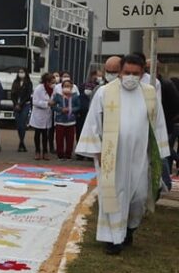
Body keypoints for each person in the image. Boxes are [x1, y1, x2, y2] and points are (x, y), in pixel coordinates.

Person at [77, 54, 170, 255]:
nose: (130, 77)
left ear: (142, 74)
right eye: (126, 73)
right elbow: (93, 121)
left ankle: (129, 229)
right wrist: (97, 150)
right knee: (114, 196)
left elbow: (158, 123)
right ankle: (112, 239)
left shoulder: (150, 93)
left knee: (139, 196)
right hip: (113, 156)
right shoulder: (105, 92)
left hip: (140, 156)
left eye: (135, 74)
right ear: (120, 72)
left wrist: (158, 154)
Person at [52, 79, 80, 160]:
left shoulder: (75, 96)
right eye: (65, 86)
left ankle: (68, 155)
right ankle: (60, 155)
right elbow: (53, 106)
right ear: (62, 87)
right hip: (60, 121)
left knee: (70, 140)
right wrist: (60, 109)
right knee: (59, 139)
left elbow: (78, 106)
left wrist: (71, 110)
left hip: (71, 122)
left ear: (71, 87)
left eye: (68, 86)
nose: (66, 88)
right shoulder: (58, 96)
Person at [30, 73, 55, 160]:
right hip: (39, 114)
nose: (53, 84)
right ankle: (37, 151)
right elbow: (35, 102)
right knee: (37, 133)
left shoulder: (53, 89)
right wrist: (47, 103)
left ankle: (45, 152)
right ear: (46, 82)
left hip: (47, 114)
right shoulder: (39, 89)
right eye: (51, 82)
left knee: (45, 134)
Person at [11, 68, 33, 152]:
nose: (21, 73)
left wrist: (20, 104)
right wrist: (16, 104)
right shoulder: (15, 82)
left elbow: (28, 95)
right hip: (16, 105)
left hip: (25, 105)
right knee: (18, 124)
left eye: (22, 72)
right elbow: (12, 94)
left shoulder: (28, 83)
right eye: (19, 72)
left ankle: (21, 142)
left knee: (22, 124)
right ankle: (22, 143)